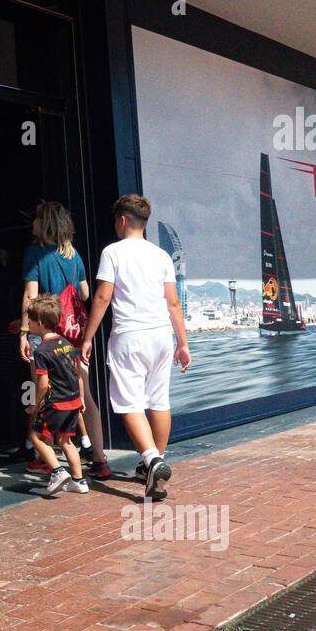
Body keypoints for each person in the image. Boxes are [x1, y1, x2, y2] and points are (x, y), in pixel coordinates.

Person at [80, 195, 190, 501]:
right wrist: (183, 343)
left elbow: (102, 298)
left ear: (123, 220)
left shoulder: (113, 252)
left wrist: (88, 338)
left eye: (116, 220)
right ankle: (154, 464)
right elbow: (173, 303)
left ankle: (152, 460)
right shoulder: (162, 256)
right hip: (161, 337)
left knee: (129, 404)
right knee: (159, 400)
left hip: (130, 337)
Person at [20, 201, 109, 474]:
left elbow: (30, 296)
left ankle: (45, 457)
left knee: (43, 392)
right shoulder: (74, 255)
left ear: (44, 223)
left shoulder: (35, 253)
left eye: (35, 218)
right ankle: (99, 457)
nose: (32, 223)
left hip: (46, 334)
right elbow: (83, 294)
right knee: (84, 395)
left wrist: (24, 333)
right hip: (73, 335)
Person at [26, 294, 87, 496]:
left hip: (57, 403)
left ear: (40, 323)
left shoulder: (42, 351)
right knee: (66, 441)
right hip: (73, 401)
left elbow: (43, 383)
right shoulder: (68, 344)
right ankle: (79, 481)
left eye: (30, 320)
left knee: (37, 436)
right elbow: (78, 375)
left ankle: (58, 472)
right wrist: (82, 399)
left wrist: (36, 404)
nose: (28, 323)